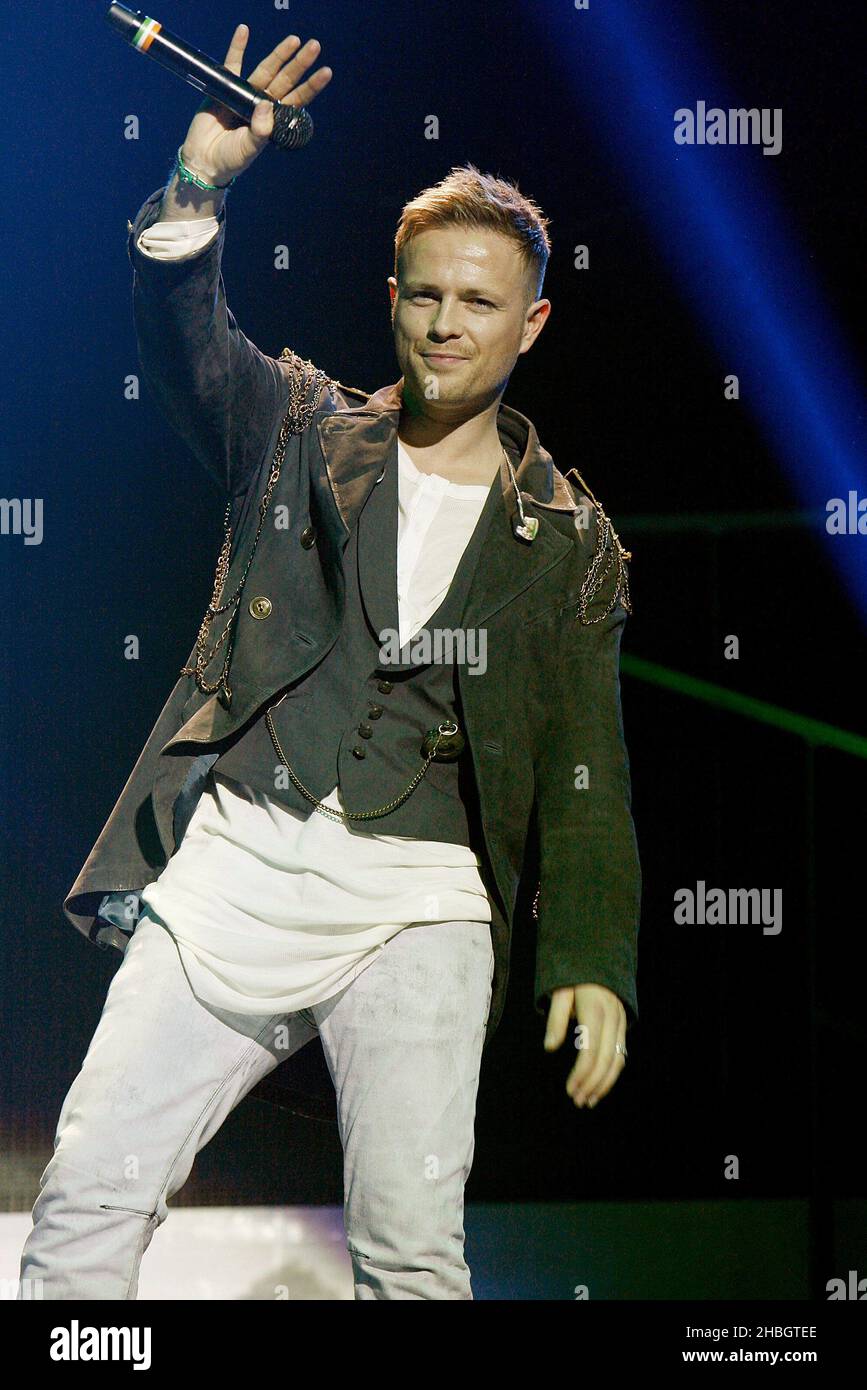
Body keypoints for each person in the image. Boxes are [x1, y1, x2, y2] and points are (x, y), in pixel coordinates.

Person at [18, 25, 640, 1300]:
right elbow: (190, 344)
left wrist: (592, 957)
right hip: (237, 861)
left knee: (413, 1258)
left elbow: (588, 761)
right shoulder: (299, 423)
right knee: (84, 1204)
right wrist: (202, 183)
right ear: (392, 297)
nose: (446, 324)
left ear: (533, 320)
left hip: (421, 894)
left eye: (479, 302)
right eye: (425, 294)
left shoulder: (573, 541)